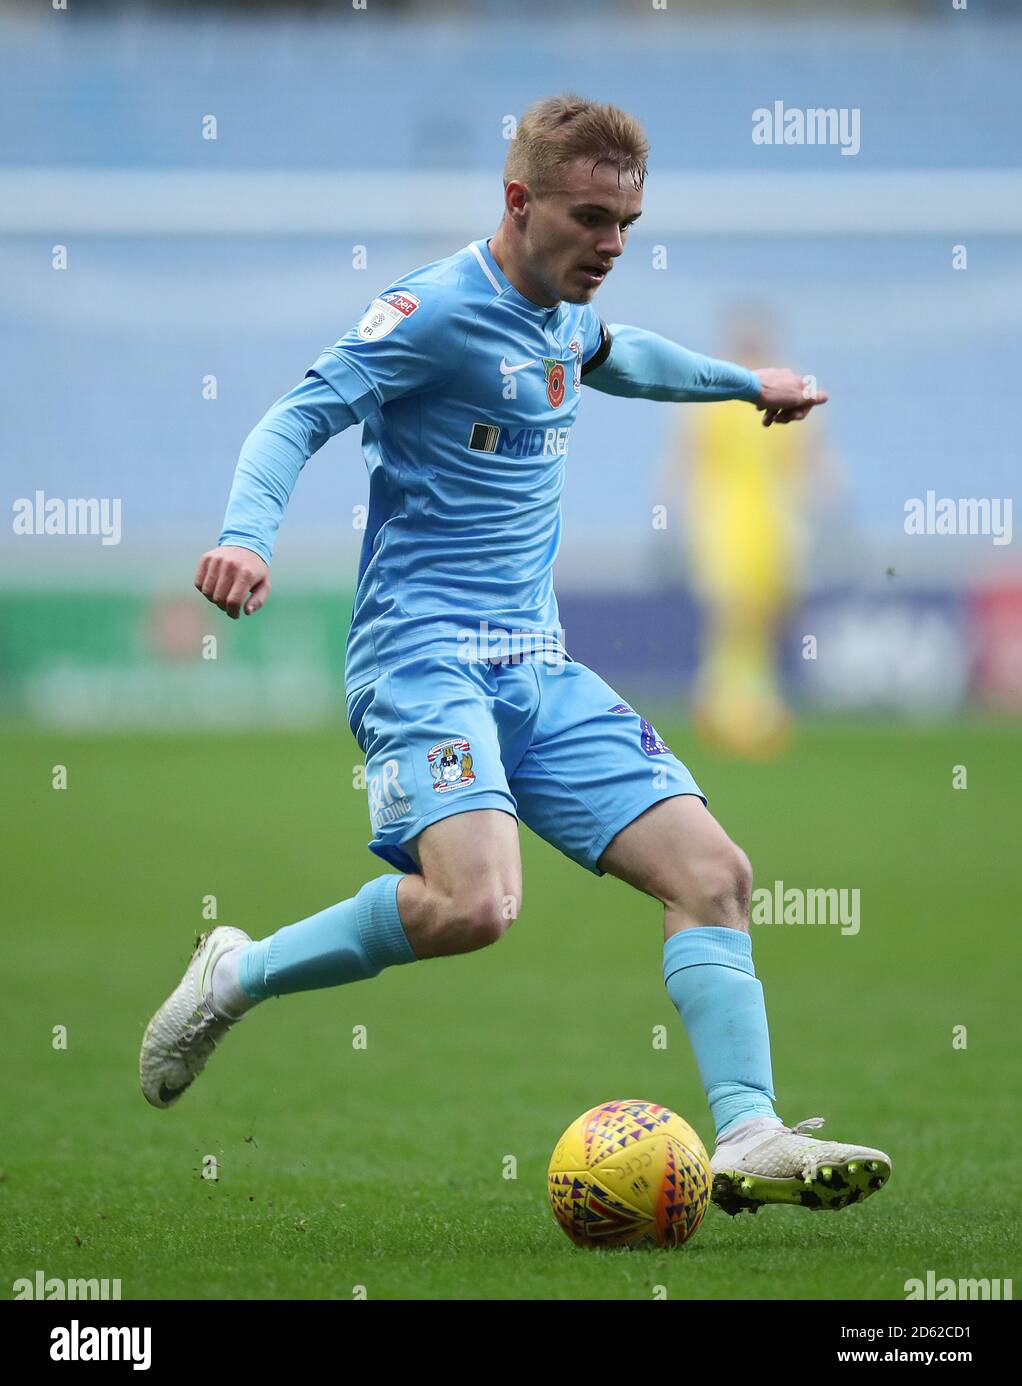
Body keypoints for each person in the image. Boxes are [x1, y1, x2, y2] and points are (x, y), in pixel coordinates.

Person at [140, 95, 890, 1217]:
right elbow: (295, 416)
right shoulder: (433, 311)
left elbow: (612, 352)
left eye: (627, 224)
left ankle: (746, 1132)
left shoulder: (564, 310)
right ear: (517, 200)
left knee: (715, 876)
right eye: (590, 218)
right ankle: (234, 974)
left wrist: (746, 384)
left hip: (536, 664)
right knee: (477, 905)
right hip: (421, 656)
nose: (611, 246)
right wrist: (245, 534)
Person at [663, 308, 841, 758]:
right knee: (735, 612)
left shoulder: (784, 390)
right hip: (725, 518)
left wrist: (822, 500)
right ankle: (734, 704)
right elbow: (686, 459)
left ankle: (729, 698)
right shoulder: (714, 395)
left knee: (766, 612)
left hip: (773, 517)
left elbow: (810, 460)